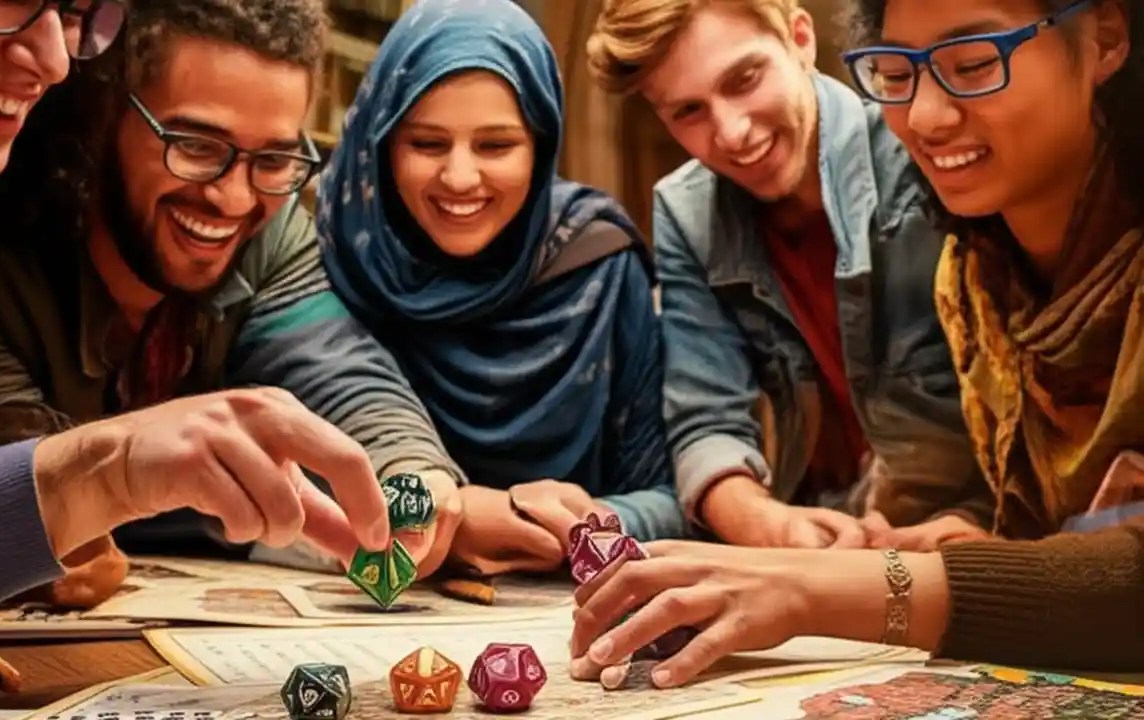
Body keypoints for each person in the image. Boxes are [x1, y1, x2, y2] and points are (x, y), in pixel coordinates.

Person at [569, 0, 1144, 684]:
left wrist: (823, 588)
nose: (926, 119)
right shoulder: (975, 276)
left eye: (974, 63)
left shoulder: (935, 191)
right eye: (898, 73)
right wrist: (986, 546)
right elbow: (705, 416)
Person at [0, 0, 390, 659]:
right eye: (193, 146)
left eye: (74, 12)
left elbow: (342, 368)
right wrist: (103, 475)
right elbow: (9, 497)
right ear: (107, 116)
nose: (54, 60)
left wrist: (412, 479)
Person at [584, 0, 989, 550]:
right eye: (688, 112)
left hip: (972, 537)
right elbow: (706, 421)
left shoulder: (922, 148)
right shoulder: (688, 212)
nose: (731, 133)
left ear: (801, 39)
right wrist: (770, 525)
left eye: (745, 80)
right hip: (821, 544)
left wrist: (994, 529)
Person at [317, 0, 686, 576]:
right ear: (381, 141)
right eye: (427, 144)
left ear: (541, 148)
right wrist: (455, 518)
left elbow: (667, 497)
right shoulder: (337, 260)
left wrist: (575, 520)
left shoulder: (597, 262)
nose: (460, 178)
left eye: (496, 146)